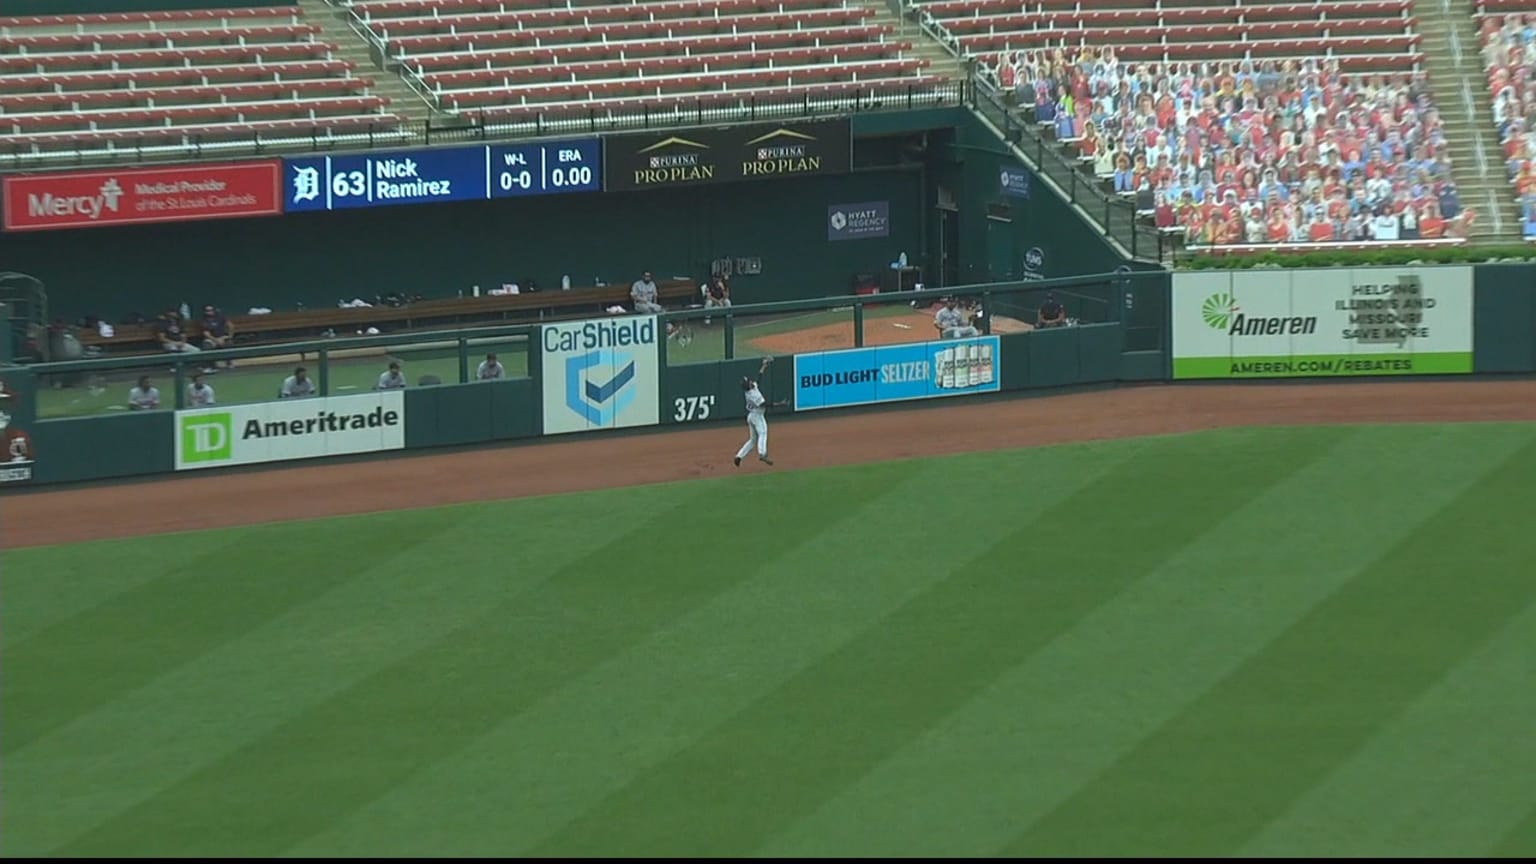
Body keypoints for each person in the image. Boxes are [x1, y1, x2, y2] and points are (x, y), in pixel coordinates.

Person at [733, 357, 784, 467]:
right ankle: (762, 454)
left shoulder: (751, 388)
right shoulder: (753, 395)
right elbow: (764, 405)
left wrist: (764, 366)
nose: (750, 381)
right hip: (757, 416)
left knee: (752, 440)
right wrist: (779, 404)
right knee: (763, 432)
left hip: (751, 416)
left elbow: (758, 379)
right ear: (748, 386)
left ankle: (739, 456)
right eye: (748, 381)